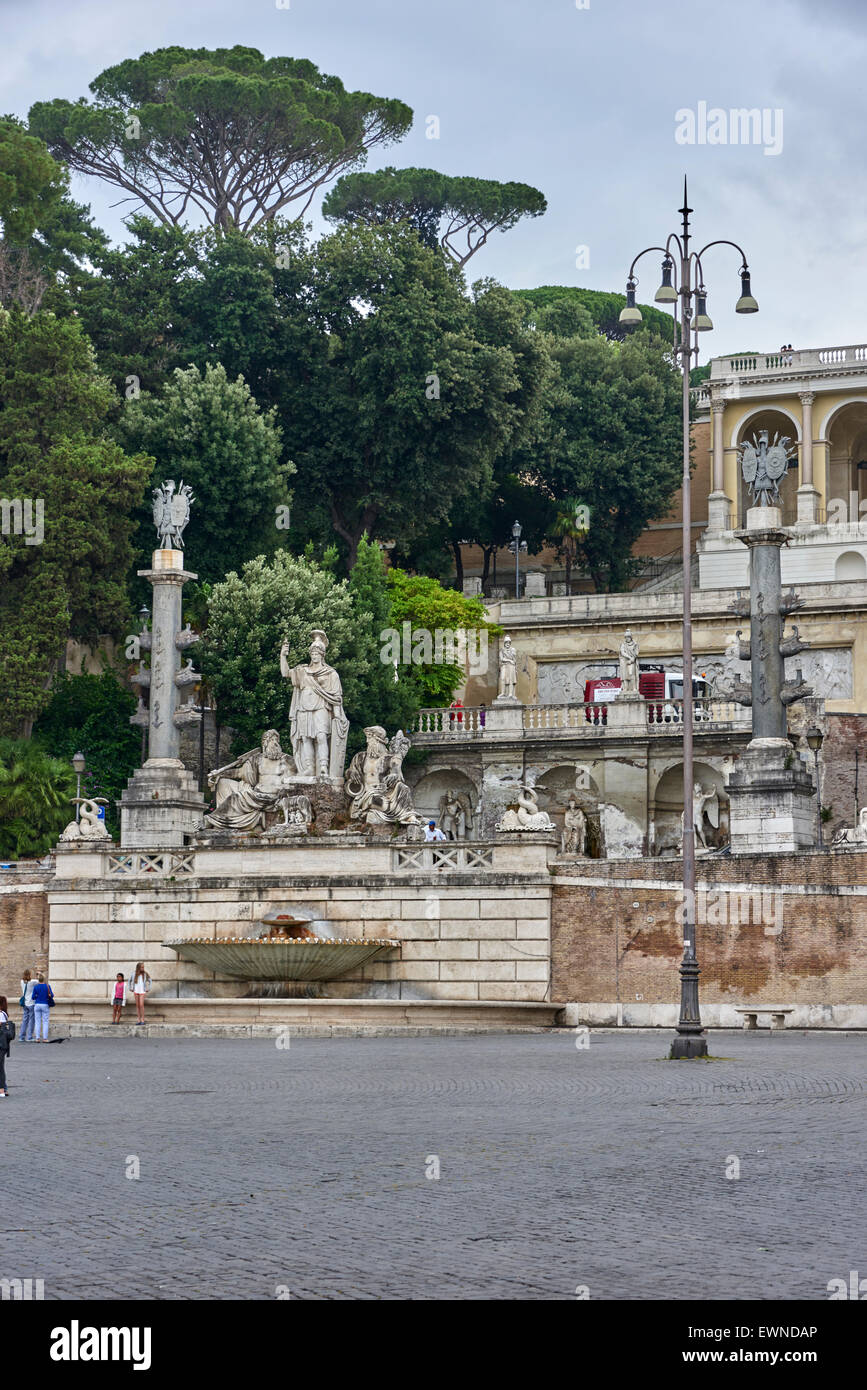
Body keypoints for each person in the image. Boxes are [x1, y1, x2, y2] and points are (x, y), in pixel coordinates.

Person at [31, 973, 54, 1041]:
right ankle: (45, 1038)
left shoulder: (36, 987)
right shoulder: (47, 986)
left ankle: (37, 1038)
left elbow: (33, 997)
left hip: (37, 1005)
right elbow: (52, 995)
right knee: (45, 1022)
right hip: (45, 1004)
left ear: (38, 980)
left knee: (37, 1022)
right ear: (44, 979)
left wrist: (37, 996)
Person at [19, 969, 36, 1043]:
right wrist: (39, 974)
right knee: (31, 1021)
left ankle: (21, 1037)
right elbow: (41, 981)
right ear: (30, 974)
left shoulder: (22, 981)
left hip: (25, 1003)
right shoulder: (33, 982)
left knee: (24, 1020)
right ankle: (29, 1037)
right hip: (31, 1003)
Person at [0, 995, 10, 1097]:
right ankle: (4, 1088)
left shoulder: (1, 1014)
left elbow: (1, 1026)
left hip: (1, 1043)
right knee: (1, 1067)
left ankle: (2, 1090)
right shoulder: (4, 1013)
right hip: (3, 1043)